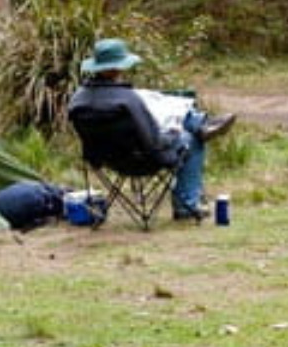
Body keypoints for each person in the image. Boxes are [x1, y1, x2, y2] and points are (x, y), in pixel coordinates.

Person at [68, 37, 236, 221]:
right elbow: (153, 142)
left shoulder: (78, 99)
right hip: (143, 160)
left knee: (177, 124)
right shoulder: (127, 100)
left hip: (108, 161)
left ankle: (200, 123)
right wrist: (173, 135)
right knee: (191, 139)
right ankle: (186, 206)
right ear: (120, 67)